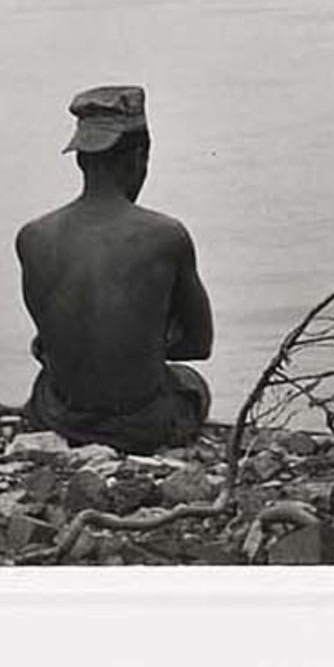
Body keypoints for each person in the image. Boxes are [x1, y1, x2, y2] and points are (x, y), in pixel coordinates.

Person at [14, 84, 215, 452]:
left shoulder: (32, 236)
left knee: (49, 376)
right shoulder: (167, 236)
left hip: (59, 417)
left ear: (81, 159)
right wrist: (147, 341)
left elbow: (51, 342)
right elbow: (199, 345)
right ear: (140, 156)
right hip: (142, 426)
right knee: (191, 383)